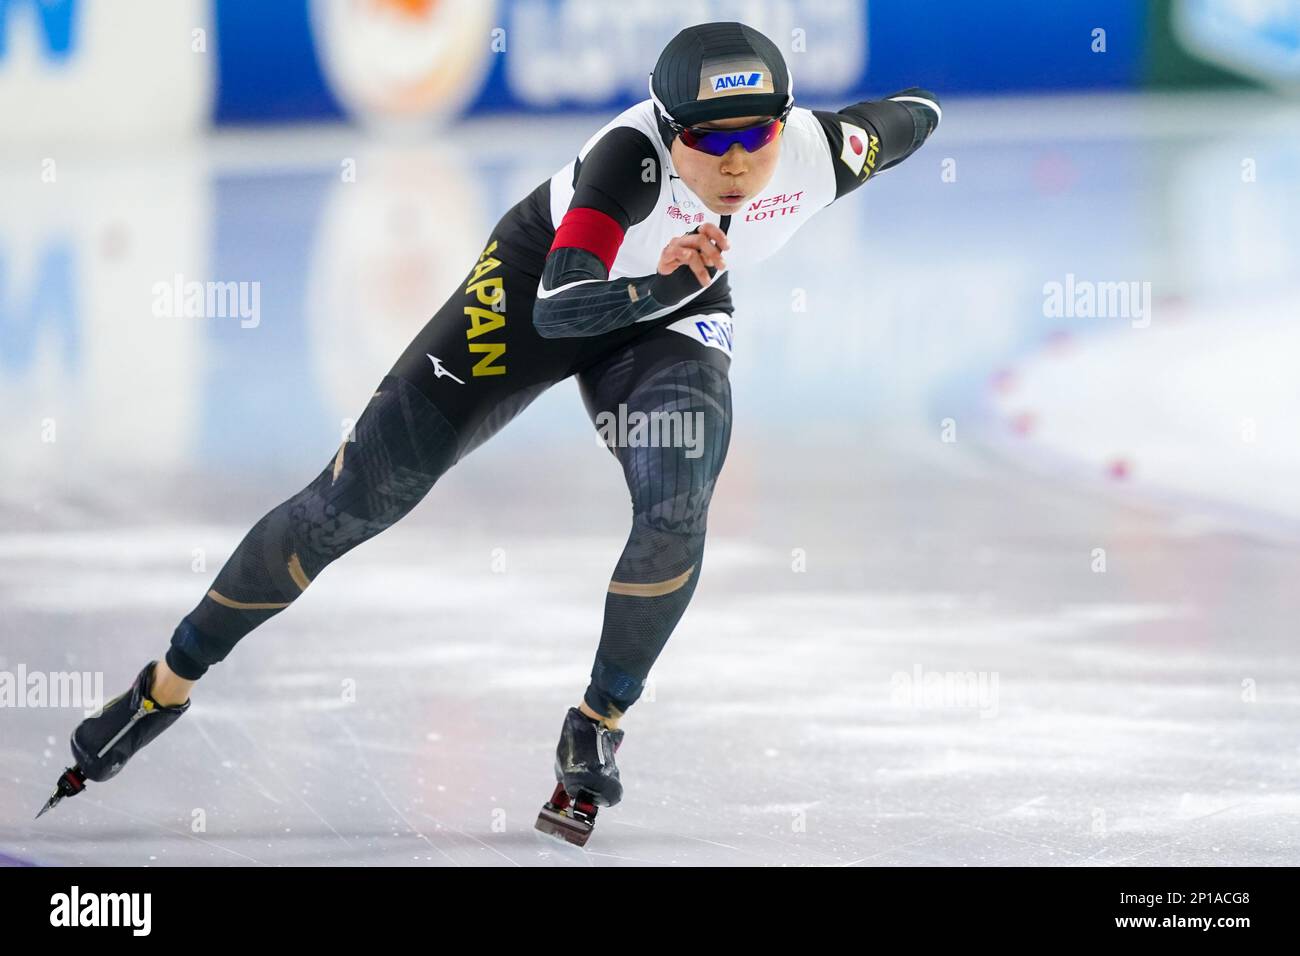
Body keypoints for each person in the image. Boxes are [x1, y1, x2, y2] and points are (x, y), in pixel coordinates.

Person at [41, 21, 940, 840]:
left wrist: (909, 116)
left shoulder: (821, 151)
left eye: (758, 133)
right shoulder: (627, 161)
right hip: (534, 295)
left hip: (668, 314)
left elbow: (913, 117)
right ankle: (165, 684)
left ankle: (597, 725)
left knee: (678, 502)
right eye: (712, 139)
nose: (741, 160)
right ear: (671, 135)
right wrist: (665, 283)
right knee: (349, 506)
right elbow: (559, 305)